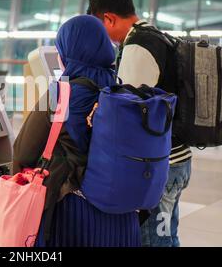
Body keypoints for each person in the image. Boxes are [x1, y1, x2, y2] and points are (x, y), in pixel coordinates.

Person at [13, 15, 141, 247]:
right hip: (125, 218)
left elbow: (23, 153)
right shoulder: (122, 91)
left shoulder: (60, 94)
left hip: (77, 216)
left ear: (67, 54)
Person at [88, 0, 192, 247]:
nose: (105, 39)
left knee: (152, 241)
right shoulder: (157, 35)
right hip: (176, 159)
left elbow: (125, 110)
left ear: (109, 18)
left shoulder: (138, 45)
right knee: (167, 236)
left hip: (160, 166)